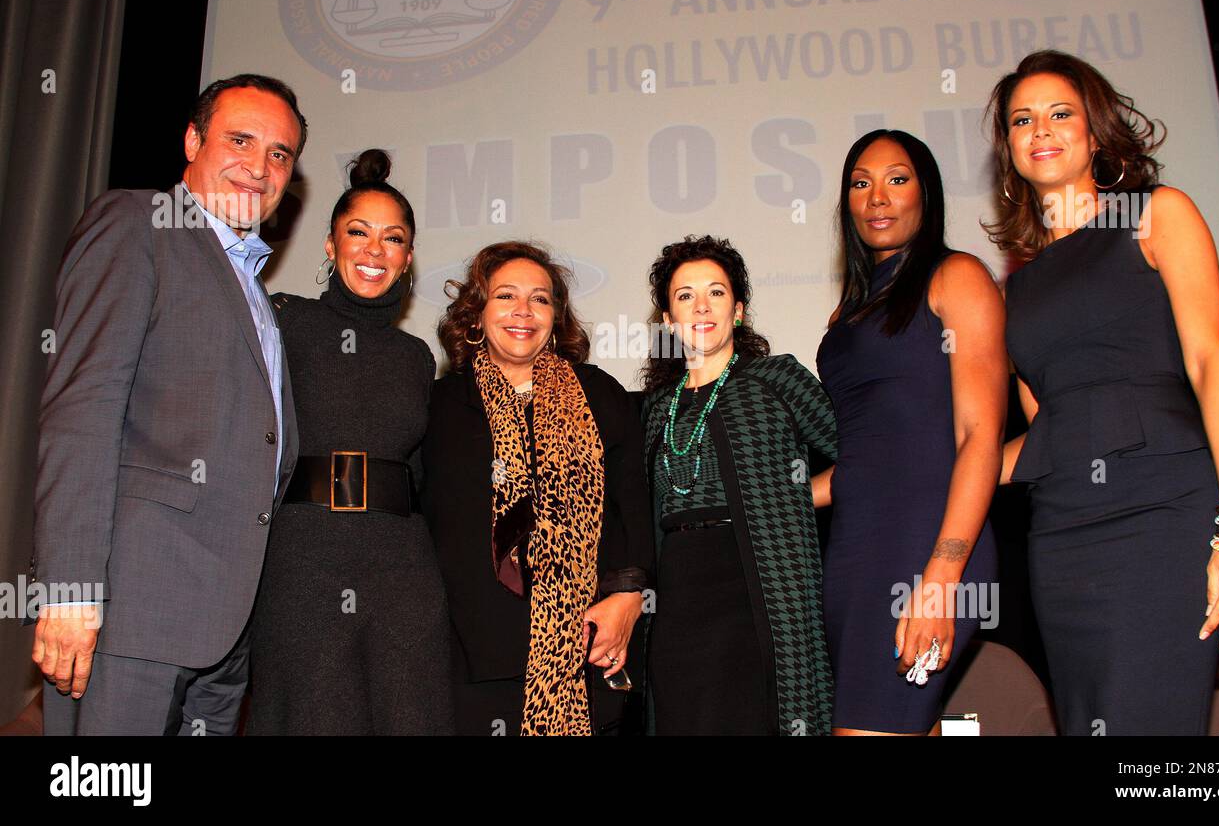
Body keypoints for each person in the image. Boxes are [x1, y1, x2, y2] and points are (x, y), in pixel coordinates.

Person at [988, 50, 1219, 734]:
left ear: (1094, 131)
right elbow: (1048, 430)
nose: (1041, 129)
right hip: (1060, 536)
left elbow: (1209, 365)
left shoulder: (1155, 216)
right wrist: (934, 478)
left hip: (1163, 511)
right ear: (1011, 150)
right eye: (1022, 120)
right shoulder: (1016, 287)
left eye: (1060, 113)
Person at [32, 74, 306, 734]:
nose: (259, 166)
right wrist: (68, 592)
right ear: (192, 139)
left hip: (224, 629)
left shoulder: (254, 288)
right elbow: (84, 409)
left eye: (279, 154)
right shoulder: (137, 223)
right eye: (240, 139)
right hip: (133, 608)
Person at [247, 149, 451, 734]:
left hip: (403, 571)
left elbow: (420, 475)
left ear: (408, 258)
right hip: (302, 561)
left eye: (393, 238)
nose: (373, 249)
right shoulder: (281, 319)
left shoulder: (415, 358)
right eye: (357, 233)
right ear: (330, 246)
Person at [422, 241, 654, 735]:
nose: (523, 311)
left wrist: (629, 597)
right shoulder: (438, 407)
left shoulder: (600, 394)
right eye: (505, 296)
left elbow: (633, 508)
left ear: (557, 317)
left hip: (586, 649)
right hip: (473, 657)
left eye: (541, 299)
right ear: (476, 314)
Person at [817, 131, 1005, 735]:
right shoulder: (844, 315)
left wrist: (941, 581)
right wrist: (773, 494)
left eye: (897, 179)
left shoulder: (956, 277)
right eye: (860, 182)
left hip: (929, 546)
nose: (878, 197)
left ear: (927, 192)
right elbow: (868, 457)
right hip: (852, 554)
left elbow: (980, 436)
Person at [642, 235, 838, 735]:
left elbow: (863, 456)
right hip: (677, 592)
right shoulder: (654, 407)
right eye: (685, 296)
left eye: (717, 292)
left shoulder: (777, 380)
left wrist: (792, 497)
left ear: (739, 310)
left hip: (761, 585)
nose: (701, 306)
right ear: (667, 320)